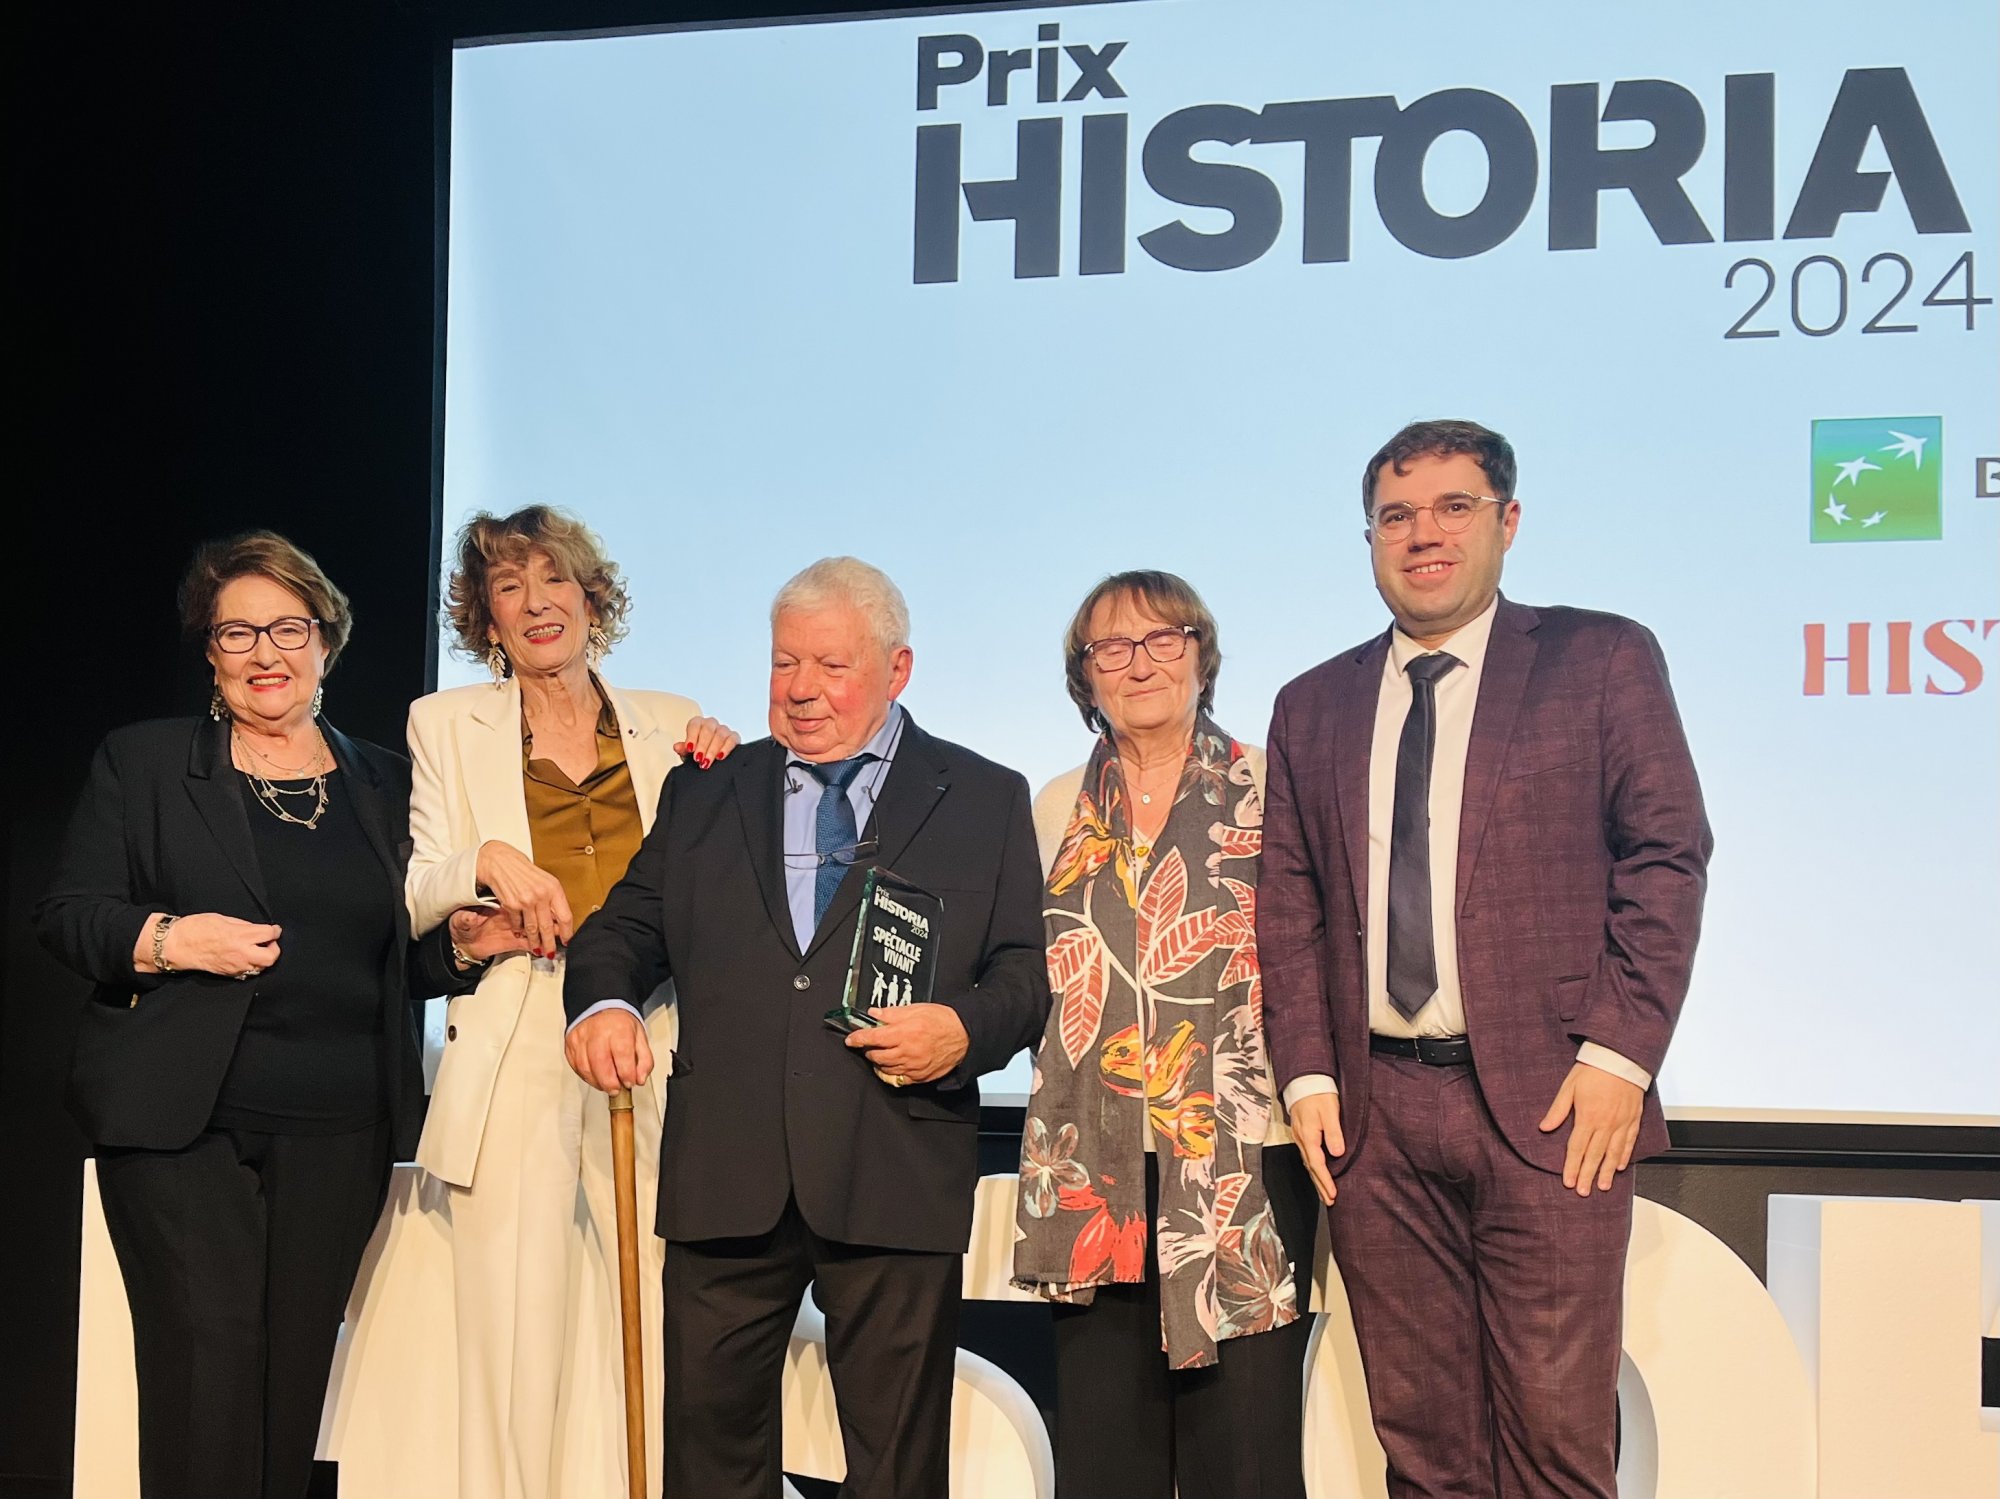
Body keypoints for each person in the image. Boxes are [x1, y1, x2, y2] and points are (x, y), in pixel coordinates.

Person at [1258, 420, 1712, 1499]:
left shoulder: (1598, 658)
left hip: (1553, 1105)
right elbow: (1289, 901)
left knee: (1557, 1445)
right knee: (1422, 1450)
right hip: (1371, 1118)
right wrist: (1307, 1071)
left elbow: (1666, 855)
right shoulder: (1309, 702)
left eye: (1453, 507)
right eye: (1396, 514)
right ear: (1366, 536)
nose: (1424, 534)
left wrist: (1619, 1054)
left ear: (1506, 522)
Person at [36, 531, 520, 1499]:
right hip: (183, 1120)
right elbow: (70, 917)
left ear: (326, 639)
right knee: (207, 1366)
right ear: (209, 653)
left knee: (291, 1385)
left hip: (341, 1125)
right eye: (238, 633)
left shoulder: (387, 782)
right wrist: (174, 937)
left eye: (288, 628)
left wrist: (462, 948)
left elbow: (388, 957)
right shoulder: (146, 763)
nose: (266, 653)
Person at [562, 555, 1050, 1499]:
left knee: (898, 1467)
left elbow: (1025, 979)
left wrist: (960, 1027)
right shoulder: (707, 791)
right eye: (785, 663)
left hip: (895, 1163)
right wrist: (605, 1001)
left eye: (831, 665)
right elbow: (622, 930)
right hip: (726, 1175)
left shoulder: (984, 795)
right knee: (708, 1457)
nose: (801, 690)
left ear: (897, 669)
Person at [404, 505, 737, 1499]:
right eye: (509, 586)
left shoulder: (671, 718)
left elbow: (731, 873)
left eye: (554, 578)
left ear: (592, 595)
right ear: (486, 617)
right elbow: (422, 888)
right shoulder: (444, 723)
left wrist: (729, 763)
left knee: (647, 1300)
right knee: (518, 1321)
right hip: (517, 1043)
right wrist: (483, 866)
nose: (536, 601)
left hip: (648, 1032)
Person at [1013, 571, 1317, 1499]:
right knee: (1108, 1459)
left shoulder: (1271, 783)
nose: (1139, 662)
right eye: (1112, 646)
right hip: (1094, 1168)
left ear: (1201, 652)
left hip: (1242, 1162)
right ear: (1086, 675)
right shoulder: (1054, 801)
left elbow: (1313, 957)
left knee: (1247, 1458)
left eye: (1163, 638)